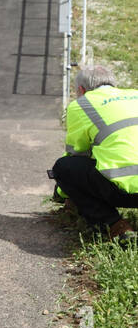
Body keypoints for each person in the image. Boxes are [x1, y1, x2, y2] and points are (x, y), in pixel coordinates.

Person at [51, 65, 138, 241]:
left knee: (63, 167)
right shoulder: (135, 94)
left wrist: (63, 193)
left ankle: (116, 227)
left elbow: (77, 154)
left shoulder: (81, 105)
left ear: (81, 90)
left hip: (122, 191)